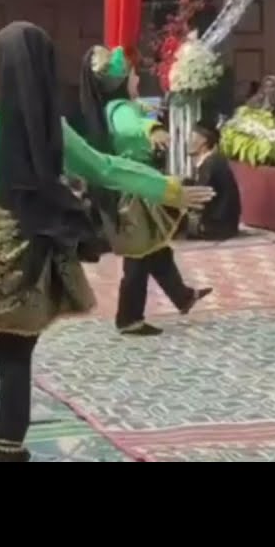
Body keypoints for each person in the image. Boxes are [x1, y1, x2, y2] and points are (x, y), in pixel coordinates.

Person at [0, 22, 214, 461]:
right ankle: (9, 447)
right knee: (17, 352)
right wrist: (169, 188)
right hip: (35, 247)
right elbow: (105, 168)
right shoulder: (56, 131)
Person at [75, 45, 213, 337]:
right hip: (133, 192)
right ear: (121, 82)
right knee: (138, 257)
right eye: (134, 75)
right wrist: (150, 129)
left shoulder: (113, 108)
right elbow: (129, 128)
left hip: (134, 187)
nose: (138, 79)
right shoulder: (122, 109)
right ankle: (129, 318)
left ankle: (182, 296)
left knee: (155, 247)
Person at [185, 123, 241, 241]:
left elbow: (200, 198)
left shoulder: (210, 164)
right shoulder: (214, 160)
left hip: (216, 226)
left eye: (192, 137)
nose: (188, 141)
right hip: (224, 224)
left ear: (203, 141)